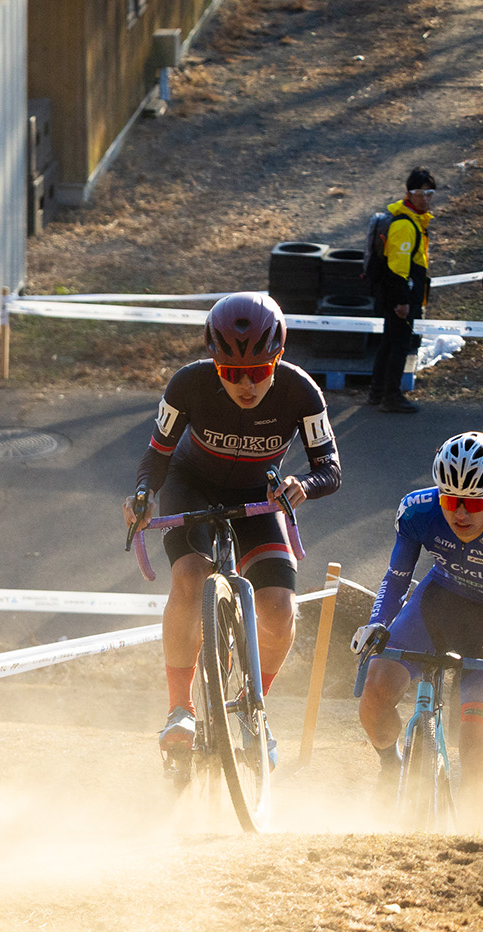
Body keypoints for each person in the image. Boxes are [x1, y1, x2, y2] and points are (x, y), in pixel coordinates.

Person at [124, 291, 340, 770]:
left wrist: (302, 484)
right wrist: (142, 495)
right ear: (213, 363)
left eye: (259, 372)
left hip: (259, 498)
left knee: (279, 609)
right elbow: (157, 455)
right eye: (231, 372)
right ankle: (180, 709)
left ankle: (252, 707)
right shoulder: (189, 384)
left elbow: (331, 468)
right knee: (190, 577)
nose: (245, 384)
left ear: (278, 359)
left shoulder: (301, 392)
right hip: (191, 486)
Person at [351, 433, 483, 830]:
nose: (459, 513)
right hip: (437, 606)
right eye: (449, 500)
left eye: (473, 503)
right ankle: (392, 768)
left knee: (476, 749)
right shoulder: (416, 513)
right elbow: (398, 576)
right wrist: (378, 621)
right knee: (375, 690)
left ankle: (470, 847)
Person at [368, 168, 437, 414]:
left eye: (430, 193)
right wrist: (402, 302)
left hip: (397, 295)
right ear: (409, 193)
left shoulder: (414, 221)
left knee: (389, 342)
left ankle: (377, 392)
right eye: (420, 193)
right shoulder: (405, 225)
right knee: (400, 345)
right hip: (399, 297)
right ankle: (391, 396)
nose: (426, 198)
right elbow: (398, 269)